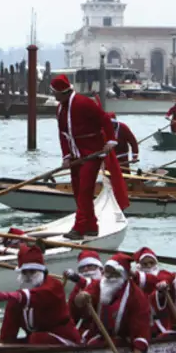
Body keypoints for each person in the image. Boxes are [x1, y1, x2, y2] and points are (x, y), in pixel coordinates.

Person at [51, 73, 119, 240]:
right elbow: (62, 134)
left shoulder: (84, 103)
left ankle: (79, 227)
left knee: (84, 191)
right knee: (77, 191)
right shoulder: (60, 108)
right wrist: (66, 156)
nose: (53, 95)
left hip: (91, 153)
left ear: (63, 92)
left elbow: (104, 119)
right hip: (75, 155)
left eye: (54, 92)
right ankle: (91, 226)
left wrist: (111, 140)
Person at [72, 253, 151, 353]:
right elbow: (82, 299)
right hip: (98, 336)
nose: (108, 277)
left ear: (123, 276)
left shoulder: (137, 296)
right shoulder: (99, 285)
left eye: (113, 274)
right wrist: (81, 297)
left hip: (124, 340)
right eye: (106, 273)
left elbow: (141, 331)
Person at [0, 245, 82, 346]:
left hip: (64, 339)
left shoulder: (54, 286)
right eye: (25, 272)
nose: (28, 276)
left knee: (36, 338)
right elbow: (8, 332)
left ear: (41, 272)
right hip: (38, 341)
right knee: (14, 343)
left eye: (32, 271)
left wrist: (10, 296)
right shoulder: (17, 299)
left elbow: (38, 296)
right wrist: (2, 345)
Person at [64, 250, 105, 338]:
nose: (85, 270)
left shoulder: (106, 283)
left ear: (100, 269)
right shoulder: (78, 287)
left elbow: (94, 286)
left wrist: (79, 280)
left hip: (106, 328)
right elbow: (71, 315)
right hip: (87, 328)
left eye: (90, 266)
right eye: (82, 268)